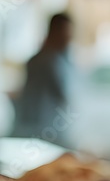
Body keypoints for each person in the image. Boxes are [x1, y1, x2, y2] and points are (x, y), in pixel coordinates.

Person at [12, 12, 75, 146]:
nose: (69, 38)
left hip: (38, 129)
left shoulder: (45, 58)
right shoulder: (50, 61)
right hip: (44, 131)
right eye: (66, 32)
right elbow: (65, 94)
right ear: (55, 31)